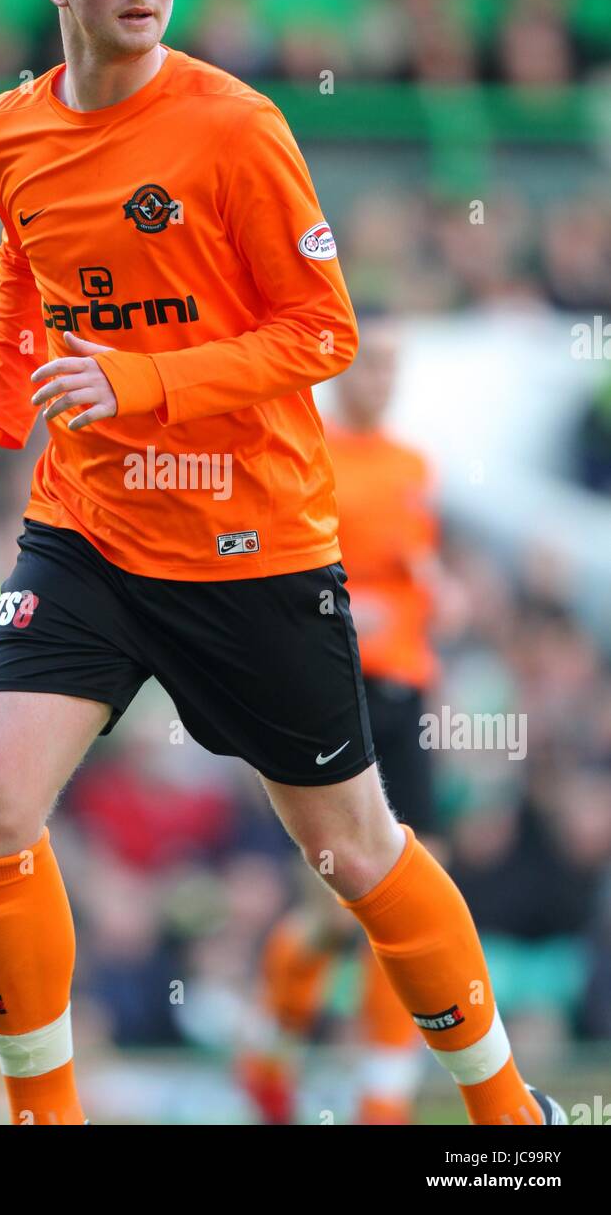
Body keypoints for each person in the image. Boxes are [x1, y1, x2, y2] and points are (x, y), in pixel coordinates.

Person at [0, 0, 564, 1127]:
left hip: (247, 542)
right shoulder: (5, 133)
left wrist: (140, 380)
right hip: (87, 532)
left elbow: (323, 331)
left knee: (356, 853)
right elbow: (25, 279)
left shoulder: (235, 125)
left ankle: (503, 1114)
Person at [237, 317, 460, 1125]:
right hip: (335, 691)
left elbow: (422, 569)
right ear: (341, 372)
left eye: (395, 366)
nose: (383, 381)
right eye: (372, 367)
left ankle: (381, 1103)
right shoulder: (309, 454)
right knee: (338, 914)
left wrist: (440, 591)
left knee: (418, 900)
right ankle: (269, 1042)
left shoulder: (414, 468)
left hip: (406, 693)